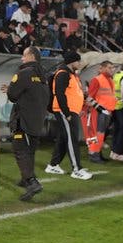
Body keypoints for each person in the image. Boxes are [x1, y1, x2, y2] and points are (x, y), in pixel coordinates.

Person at [3, 46, 49, 200]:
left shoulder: (24, 73)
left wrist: (10, 89)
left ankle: (31, 182)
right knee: (30, 151)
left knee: (20, 150)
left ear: (32, 56)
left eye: (24, 55)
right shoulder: (44, 74)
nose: (22, 59)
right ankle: (25, 178)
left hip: (23, 120)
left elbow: (12, 95)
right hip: (38, 120)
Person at [45, 51, 93, 179]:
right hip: (65, 111)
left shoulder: (72, 74)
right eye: (78, 61)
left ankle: (53, 165)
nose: (80, 63)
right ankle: (76, 169)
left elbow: (73, 94)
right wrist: (66, 113)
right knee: (72, 139)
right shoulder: (63, 74)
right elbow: (59, 94)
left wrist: (78, 107)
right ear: (72, 62)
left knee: (63, 138)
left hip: (71, 110)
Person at [85, 60, 116, 163]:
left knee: (101, 134)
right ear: (102, 68)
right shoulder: (97, 80)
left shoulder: (110, 80)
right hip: (99, 112)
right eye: (109, 67)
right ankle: (94, 154)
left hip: (107, 111)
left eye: (112, 68)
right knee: (98, 133)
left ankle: (97, 153)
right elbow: (90, 98)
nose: (112, 70)